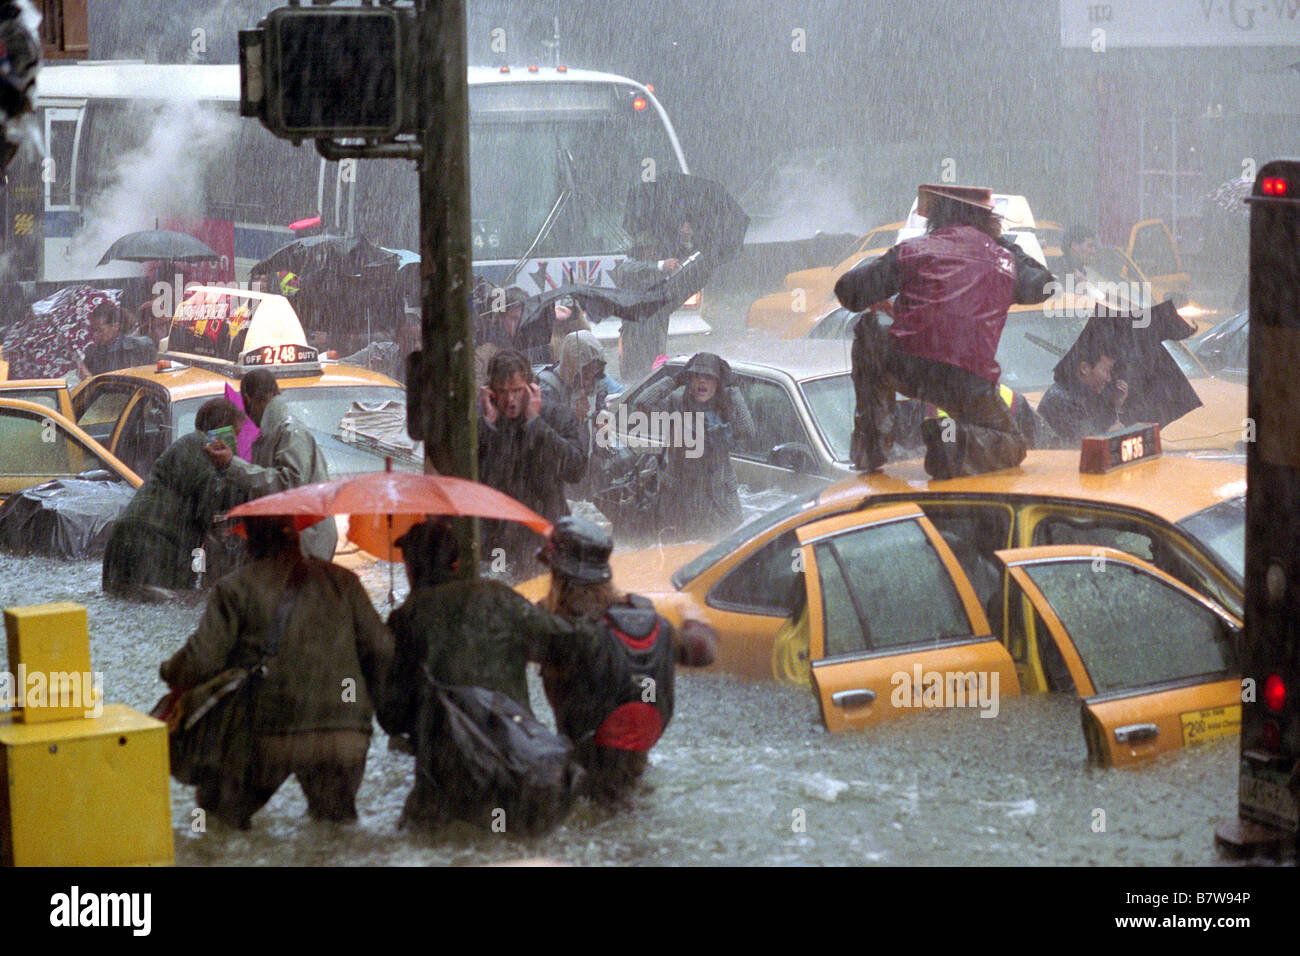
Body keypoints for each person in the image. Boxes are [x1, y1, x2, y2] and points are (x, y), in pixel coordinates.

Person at [159, 515, 392, 829]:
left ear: (250, 542)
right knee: (337, 830)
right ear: (296, 537)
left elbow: (201, 662)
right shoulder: (343, 581)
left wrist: (169, 670)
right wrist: (374, 710)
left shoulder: (234, 588)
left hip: (268, 731)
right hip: (343, 733)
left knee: (219, 821)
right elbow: (382, 650)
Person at [374, 519, 591, 826]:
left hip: (446, 778)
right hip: (516, 763)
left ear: (409, 567)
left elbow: (391, 716)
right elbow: (569, 644)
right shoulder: (497, 596)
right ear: (457, 563)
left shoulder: (404, 619)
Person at [834, 183, 1055, 478]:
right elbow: (1045, 285)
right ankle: (953, 445)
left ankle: (871, 447)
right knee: (1013, 443)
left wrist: (874, 296)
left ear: (937, 216)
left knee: (869, 333)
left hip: (908, 368)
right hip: (968, 381)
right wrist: (1002, 244)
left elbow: (847, 290)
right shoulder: (1004, 261)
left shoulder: (914, 251)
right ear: (988, 220)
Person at [535, 516, 714, 807]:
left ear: (558, 576)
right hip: (635, 772)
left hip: (580, 783)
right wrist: (695, 618)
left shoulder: (561, 629)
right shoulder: (654, 624)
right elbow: (703, 653)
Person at [102, 398, 248, 597]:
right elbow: (209, 508)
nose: (236, 442)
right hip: (154, 546)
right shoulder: (204, 448)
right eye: (235, 435)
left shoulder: (186, 445)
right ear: (222, 427)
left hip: (127, 540)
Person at [204, 368, 338, 561]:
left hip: (304, 544)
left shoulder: (290, 432)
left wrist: (233, 465)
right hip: (294, 542)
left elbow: (288, 485)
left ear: (248, 399)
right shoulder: (274, 433)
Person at [477, 348, 586, 578]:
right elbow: (469, 481)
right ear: (491, 391)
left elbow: (575, 468)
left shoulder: (555, 416)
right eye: (503, 392)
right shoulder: (481, 422)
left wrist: (536, 425)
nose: (510, 400)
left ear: (530, 387)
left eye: (517, 390)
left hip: (543, 535)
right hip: (496, 541)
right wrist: (487, 428)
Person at [634, 351, 755, 537]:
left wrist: (734, 389)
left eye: (708, 377)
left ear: (718, 383)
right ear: (689, 381)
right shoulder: (677, 405)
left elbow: (747, 430)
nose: (702, 382)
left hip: (720, 502)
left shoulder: (725, 406)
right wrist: (674, 381)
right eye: (696, 376)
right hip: (681, 503)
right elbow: (642, 403)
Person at [612, 221, 696, 383]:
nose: (653, 252)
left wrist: (685, 240)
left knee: (654, 379)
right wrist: (661, 265)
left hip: (657, 337)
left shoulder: (658, 274)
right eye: (648, 248)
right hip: (634, 340)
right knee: (633, 382)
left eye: (654, 249)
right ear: (639, 250)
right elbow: (629, 269)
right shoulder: (629, 268)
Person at [1035, 331, 1127, 443]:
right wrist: (1110, 435)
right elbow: (1082, 448)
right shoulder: (1061, 401)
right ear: (1084, 369)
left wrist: (1117, 404)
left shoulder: (1084, 393)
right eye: (1106, 371)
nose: (1109, 379)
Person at [79, 300, 156, 378]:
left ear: (116, 326)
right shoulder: (92, 354)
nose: (95, 335)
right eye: (93, 330)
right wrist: (87, 377)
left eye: (100, 330)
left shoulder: (141, 347)